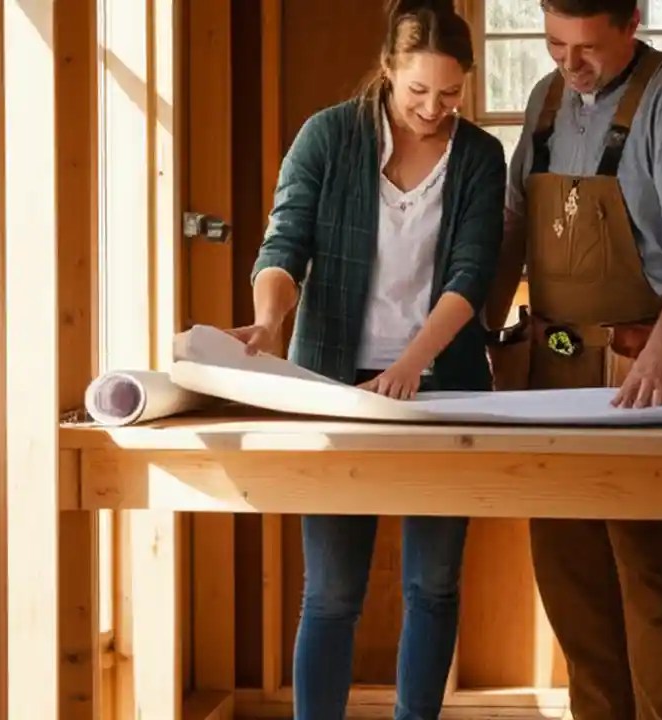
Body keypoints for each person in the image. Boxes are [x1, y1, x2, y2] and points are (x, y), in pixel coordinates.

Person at [225, 0, 506, 717]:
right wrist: (266, 323)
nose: (433, 109)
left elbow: (470, 275)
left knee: (433, 584)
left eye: (450, 93)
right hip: (332, 384)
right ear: (387, 71)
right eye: (417, 92)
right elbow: (284, 246)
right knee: (331, 591)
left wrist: (413, 363)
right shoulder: (327, 137)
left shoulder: (478, 156)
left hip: (443, 385)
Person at [482, 1, 662, 718]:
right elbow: (513, 224)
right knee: (565, 569)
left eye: (588, 47)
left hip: (639, 366)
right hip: (550, 365)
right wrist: (475, 332)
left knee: (646, 568)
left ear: (634, 22)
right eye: (553, 44)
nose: (569, 65)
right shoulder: (545, 100)